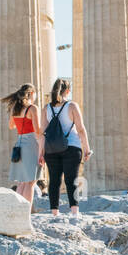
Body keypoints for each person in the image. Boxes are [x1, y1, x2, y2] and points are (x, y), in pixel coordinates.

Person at [43, 77, 91, 217]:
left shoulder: (46, 108)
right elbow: (81, 129)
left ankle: (54, 213)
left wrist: (41, 152)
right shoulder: (72, 106)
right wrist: (87, 148)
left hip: (51, 149)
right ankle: (74, 212)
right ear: (68, 91)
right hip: (71, 146)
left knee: (54, 180)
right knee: (71, 180)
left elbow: (41, 132)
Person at [1, 84, 43, 206]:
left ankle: (19, 210)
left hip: (19, 142)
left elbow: (11, 126)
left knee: (21, 182)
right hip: (31, 143)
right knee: (30, 181)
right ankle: (27, 211)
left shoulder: (16, 108)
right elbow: (37, 130)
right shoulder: (33, 108)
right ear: (31, 93)